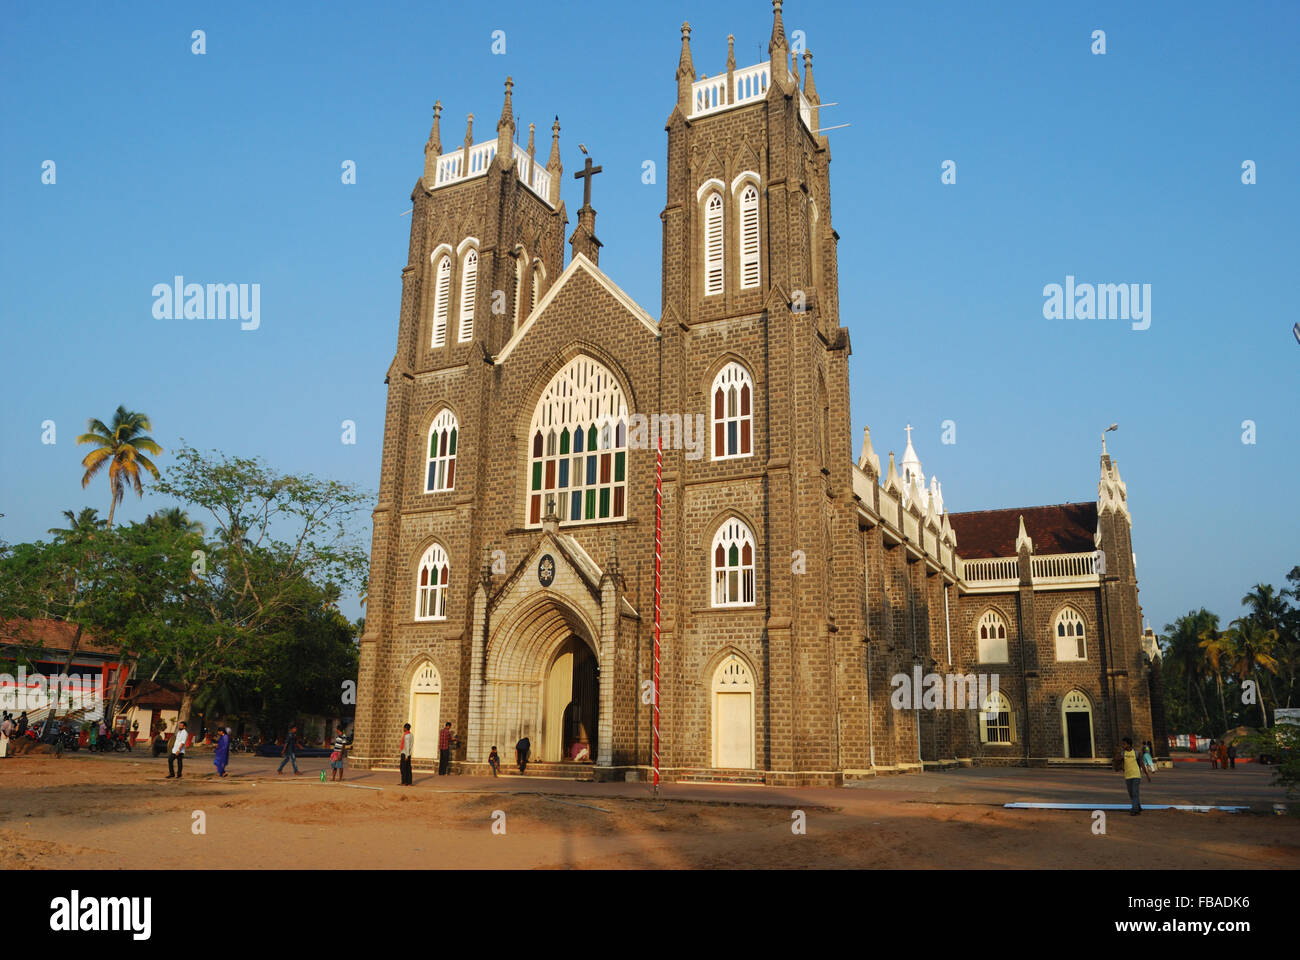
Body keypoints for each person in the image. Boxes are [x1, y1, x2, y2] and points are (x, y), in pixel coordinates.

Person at [1120, 737, 1142, 815]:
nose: (1123, 745)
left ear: (1129, 744)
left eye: (1124, 744)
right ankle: (1138, 806)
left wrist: (1147, 774)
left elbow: (1141, 763)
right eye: (1122, 744)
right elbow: (1121, 762)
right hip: (1128, 775)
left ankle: (1134, 809)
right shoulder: (1123, 753)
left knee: (1135, 792)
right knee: (1131, 793)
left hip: (1136, 774)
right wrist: (1122, 767)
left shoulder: (1136, 752)